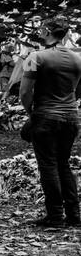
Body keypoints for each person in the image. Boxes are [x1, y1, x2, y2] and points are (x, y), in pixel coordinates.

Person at [19, 18, 81, 229]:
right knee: (63, 164)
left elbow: (25, 92)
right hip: (71, 117)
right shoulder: (78, 58)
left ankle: (54, 215)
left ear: (46, 31)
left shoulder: (34, 56)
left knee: (48, 165)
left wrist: (31, 113)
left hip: (45, 116)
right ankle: (74, 214)